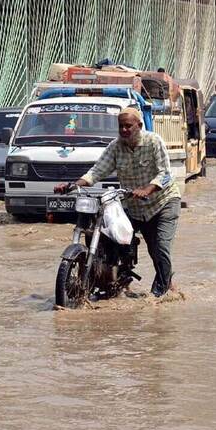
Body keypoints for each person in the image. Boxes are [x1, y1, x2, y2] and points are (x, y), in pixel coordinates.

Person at [55, 108, 180, 298]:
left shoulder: (154, 141)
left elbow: (165, 174)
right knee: (109, 234)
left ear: (139, 125)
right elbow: (97, 171)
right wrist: (73, 185)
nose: (124, 130)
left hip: (162, 202)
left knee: (159, 248)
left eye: (128, 126)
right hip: (134, 205)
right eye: (121, 126)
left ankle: (160, 294)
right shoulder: (115, 147)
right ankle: (113, 278)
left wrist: (147, 189)